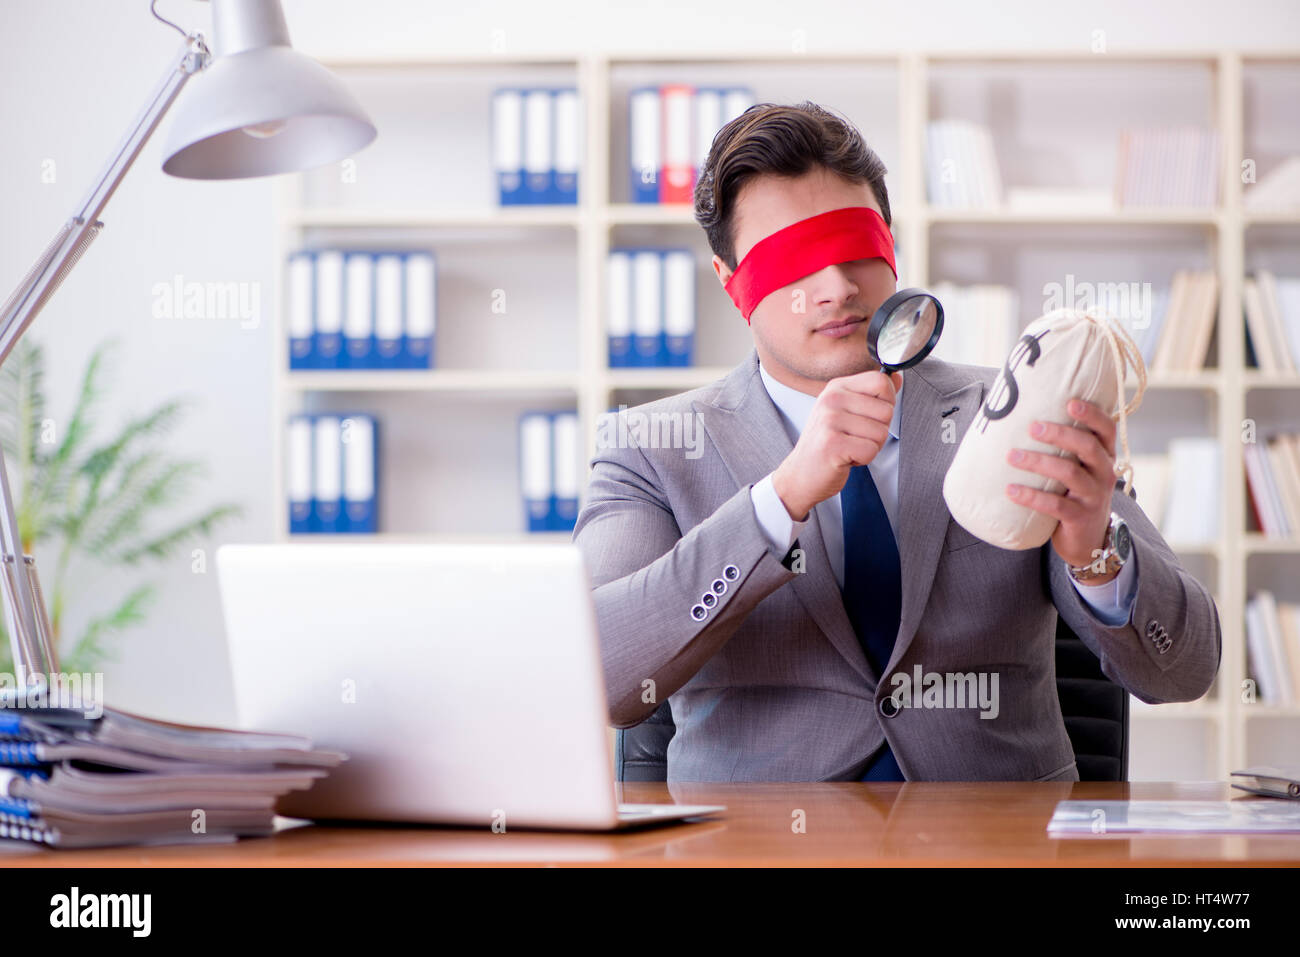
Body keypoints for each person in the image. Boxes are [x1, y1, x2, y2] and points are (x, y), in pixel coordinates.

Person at [572, 101, 1221, 782]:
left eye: (856, 248)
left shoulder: (1016, 408)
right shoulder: (650, 446)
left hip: (998, 841)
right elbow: (601, 674)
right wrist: (781, 498)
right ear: (730, 283)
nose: (836, 287)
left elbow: (1187, 667)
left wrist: (1095, 554)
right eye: (790, 260)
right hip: (755, 845)